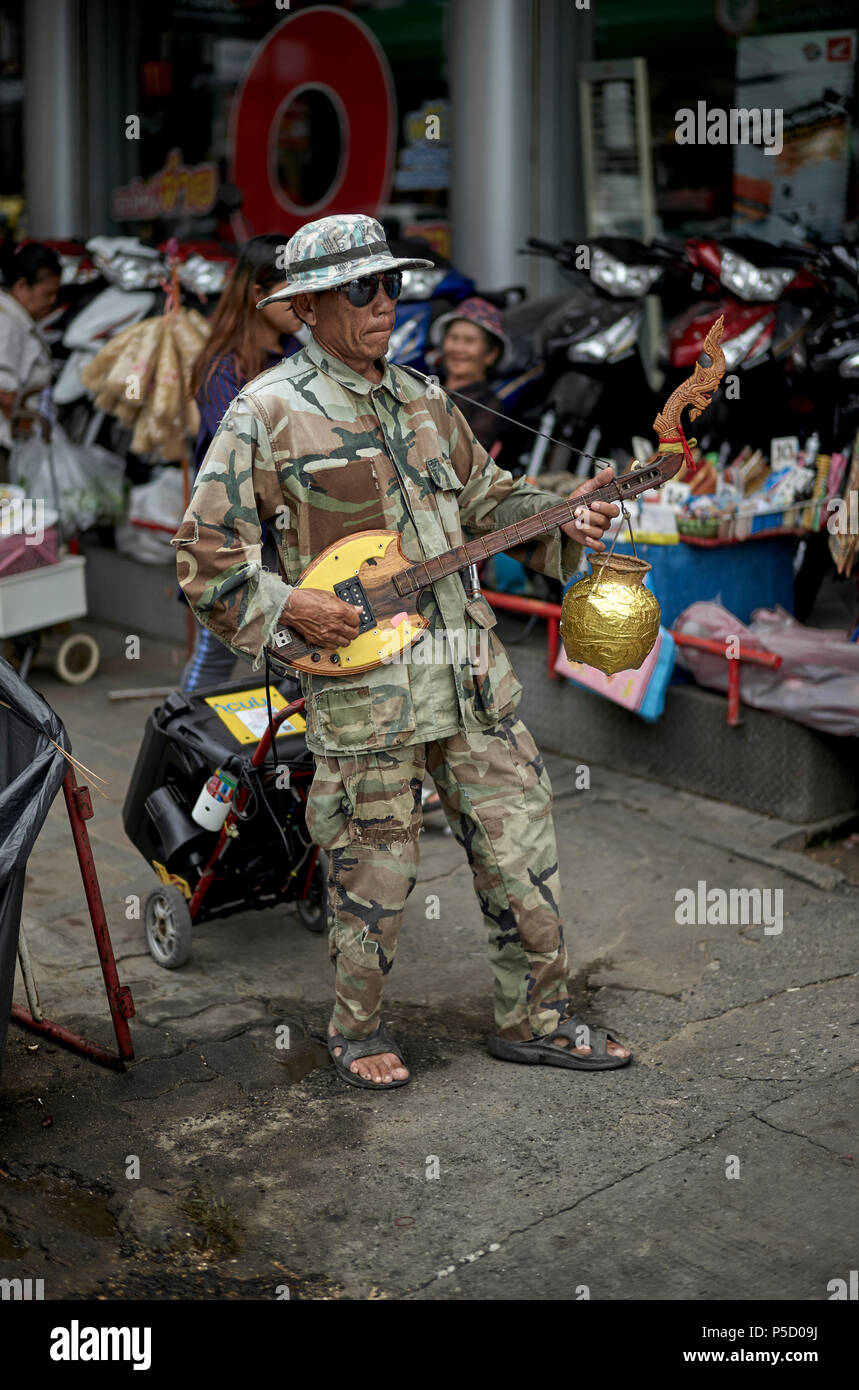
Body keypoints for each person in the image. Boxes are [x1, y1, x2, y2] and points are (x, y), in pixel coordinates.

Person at [173, 213, 631, 1089]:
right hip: (366, 690)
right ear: (308, 305)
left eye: (392, 286)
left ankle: (535, 1018)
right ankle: (356, 1030)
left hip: (468, 676)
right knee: (372, 869)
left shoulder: (424, 397)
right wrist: (290, 607)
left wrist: (565, 516)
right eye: (362, 289)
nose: (385, 303)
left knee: (520, 849)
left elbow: (491, 501)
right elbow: (205, 560)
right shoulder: (266, 413)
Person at [179, 235, 303, 692]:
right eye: (291, 286)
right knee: (216, 652)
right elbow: (243, 451)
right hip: (235, 534)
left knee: (295, 653)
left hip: (289, 530)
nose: (302, 298)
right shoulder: (220, 367)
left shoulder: (299, 353)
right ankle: (179, 747)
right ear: (258, 293)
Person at [0, 242, 61, 482]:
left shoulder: (20, 320)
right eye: (47, 294)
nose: (52, 301)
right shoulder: (7, 323)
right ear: (22, 285)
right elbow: (4, 391)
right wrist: (33, 427)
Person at [429, 296, 511, 454]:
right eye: (453, 338)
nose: (458, 349)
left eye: (469, 341)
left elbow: (464, 457)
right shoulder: (429, 384)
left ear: (491, 354)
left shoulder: (489, 407)